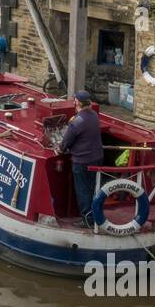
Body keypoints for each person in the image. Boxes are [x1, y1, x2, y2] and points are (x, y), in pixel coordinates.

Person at [59, 91, 105, 223]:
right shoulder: (94, 115)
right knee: (94, 187)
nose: (73, 101)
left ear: (77, 102)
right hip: (97, 157)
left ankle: (87, 219)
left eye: (74, 100)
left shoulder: (76, 121)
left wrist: (59, 149)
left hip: (83, 161)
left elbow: (66, 141)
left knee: (83, 190)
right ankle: (97, 213)